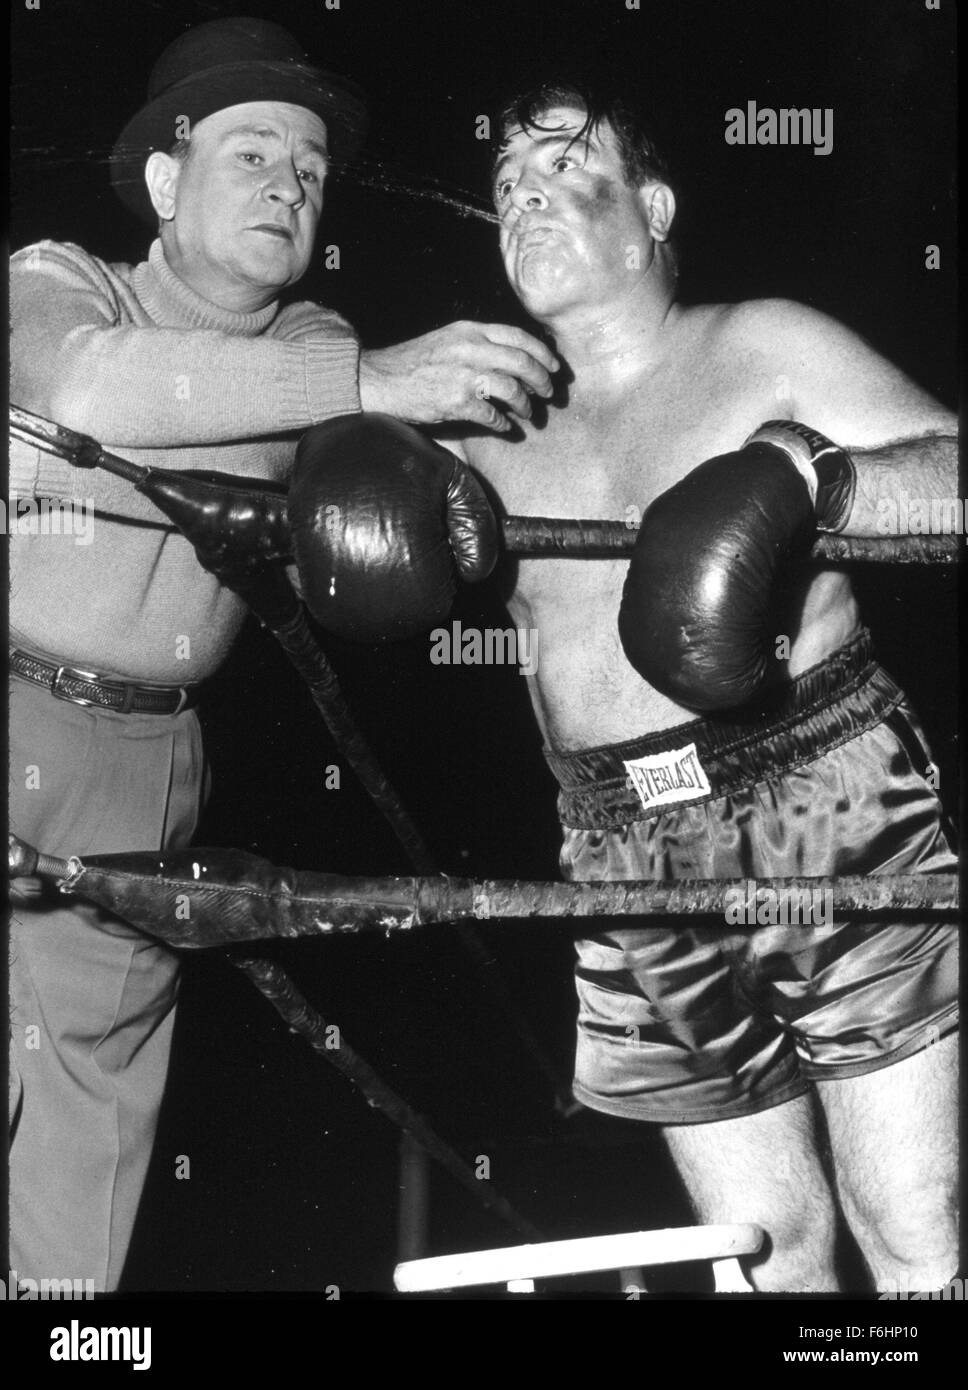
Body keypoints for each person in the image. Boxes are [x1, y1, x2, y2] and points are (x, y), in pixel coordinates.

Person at [310, 81, 957, 1292]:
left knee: (910, 1221)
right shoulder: (478, 425)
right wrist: (356, 435)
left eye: (562, 167)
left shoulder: (764, 342)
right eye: (507, 185)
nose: (523, 197)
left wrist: (810, 479)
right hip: (619, 845)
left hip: (824, 798)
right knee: (758, 1253)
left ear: (650, 208)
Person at [6, 17, 558, 1293]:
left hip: (149, 758)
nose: (288, 185)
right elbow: (85, 391)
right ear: (165, 181)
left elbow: (353, 482)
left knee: (87, 1132)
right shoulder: (59, 282)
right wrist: (376, 383)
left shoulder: (313, 343)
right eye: (251, 152)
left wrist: (428, 487)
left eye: (309, 169)